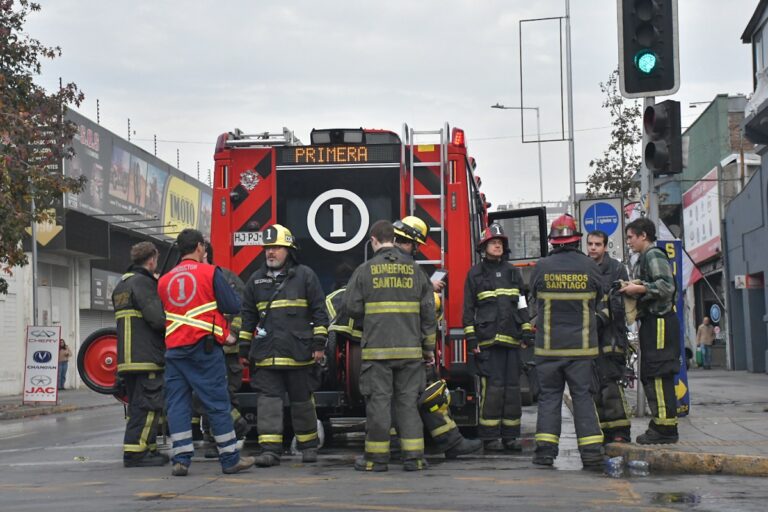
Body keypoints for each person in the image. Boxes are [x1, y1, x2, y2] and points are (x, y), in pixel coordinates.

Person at [157, 229, 255, 476]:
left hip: (174, 350)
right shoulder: (210, 272)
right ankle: (230, 458)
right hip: (204, 348)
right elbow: (233, 304)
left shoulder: (165, 279)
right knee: (217, 403)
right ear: (200, 247)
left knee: (178, 404)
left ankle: (181, 459)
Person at [345, 218, 435, 472]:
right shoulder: (415, 270)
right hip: (410, 352)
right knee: (407, 403)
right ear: (394, 240)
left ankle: (376, 459)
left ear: (374, 240)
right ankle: (414, 458)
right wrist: (428, 348)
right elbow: (428, 312)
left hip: (377, 352)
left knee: (379, 404)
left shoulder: (364, 270)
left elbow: (350, 307)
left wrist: (371, 319)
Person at [239, 224, 328, 467]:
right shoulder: (255, 281)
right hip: (267, 355)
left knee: (302, 402)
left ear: (289, 250)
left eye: (277, 247)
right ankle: (270, 451)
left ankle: (308, 446)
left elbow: (320, 313)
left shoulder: (305, 276)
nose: (271, 252)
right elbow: (247, 317)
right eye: (268, 248)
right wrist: (244, 348)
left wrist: (319, 344)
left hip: (298, 354)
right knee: (268, 403)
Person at [529, 214, 604, 470]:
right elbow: (600, 297)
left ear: (553, 241)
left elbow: (533, 297)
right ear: (576, 240)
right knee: (583, 397)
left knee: (549, 398)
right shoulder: (590, 266)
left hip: (548, 348)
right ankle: (592, 453)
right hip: (582, 348)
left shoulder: (541, 266)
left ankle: (545, 453)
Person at [462, 223, 534, 452]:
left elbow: (522, 301)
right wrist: (471, 340)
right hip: (487, 341)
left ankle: (510, 436)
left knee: (512, 390)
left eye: (501, 243)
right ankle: (490, 437)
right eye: (494, 243)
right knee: (492, 390)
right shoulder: (475, 274)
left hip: (512, 340)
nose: (498, 246)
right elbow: (468, 309)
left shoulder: (513, 272)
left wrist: (526, 329)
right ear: (484, 247)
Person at [620, 218, 680, 445]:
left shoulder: (653, 255)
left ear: (643, 235)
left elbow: (666, 287)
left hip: (660, 322)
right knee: (651, 373)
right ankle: (661, 423)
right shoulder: (645, 257)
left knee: (658, 372)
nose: (629, 242)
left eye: (630, 237)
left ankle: (666, 428)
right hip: (653, 323)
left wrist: (640, 288)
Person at [112, 241, 168, 467]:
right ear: (152, 260)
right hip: (146, 356)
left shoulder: (122, 284)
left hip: (128, 358)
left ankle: (149, 447)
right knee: (148, 406)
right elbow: (157, 319)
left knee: (139, 405)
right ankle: (136, 452)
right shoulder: (143, 283)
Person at [197, 242, 250, 459]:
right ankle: (213, 438)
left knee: (227, 394)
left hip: (227, 351)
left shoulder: (226, 278)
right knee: (204, 396)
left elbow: (241, 308)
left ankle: (231, 434)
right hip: (202, 349)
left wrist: (234, 334)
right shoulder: (193, 280)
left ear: (204, 252)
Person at [586, 230, 632, 444]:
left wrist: (600, 318)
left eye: (597, 244)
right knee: (595, 387)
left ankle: (621, 432)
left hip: (612, 334)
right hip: (590, 337)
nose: (593, 248)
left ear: (605, 246)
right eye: (590, 244)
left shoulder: (616, 268)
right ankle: (605, 433)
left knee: (611, 386)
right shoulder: (584, 268)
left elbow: (619, 303)